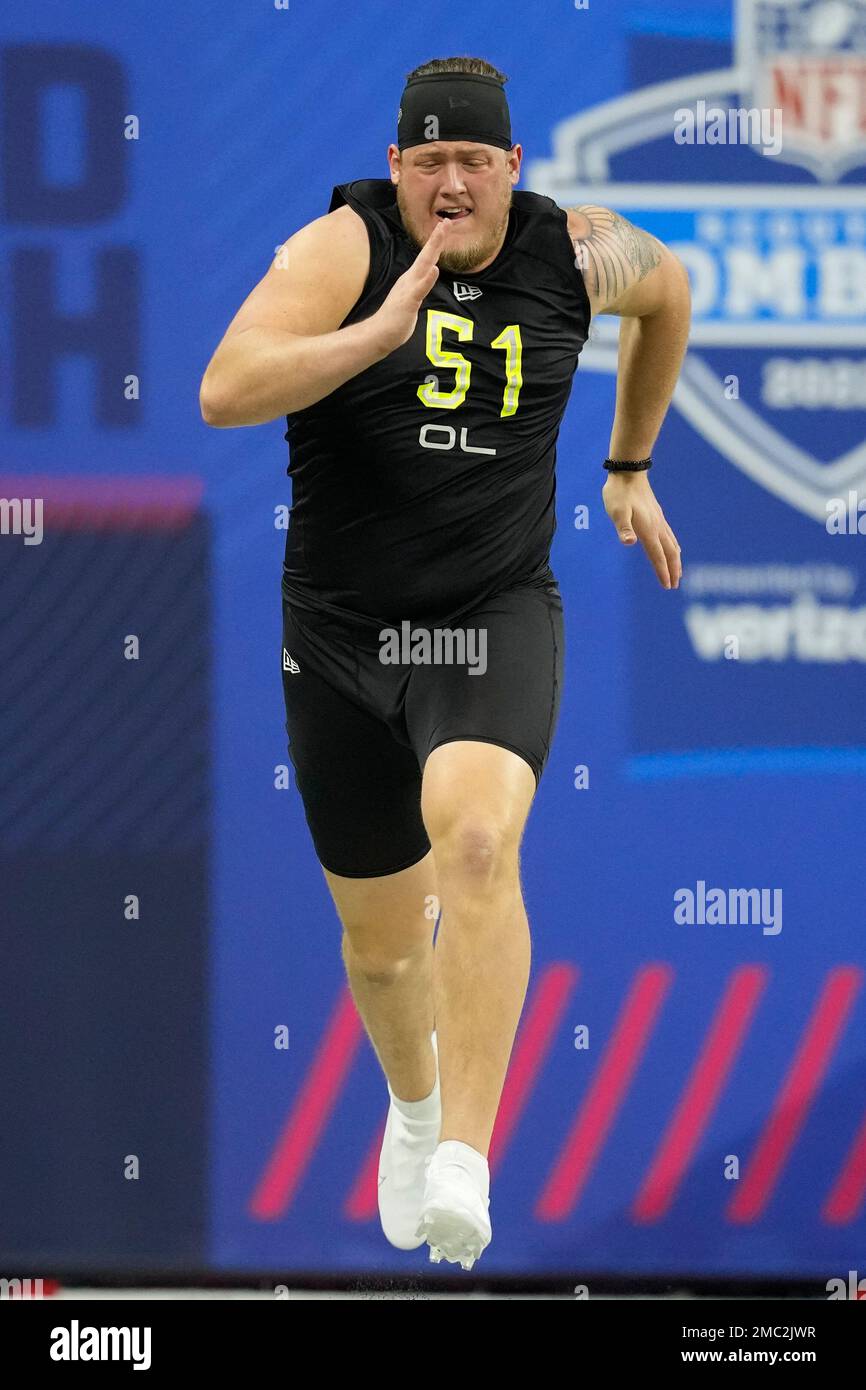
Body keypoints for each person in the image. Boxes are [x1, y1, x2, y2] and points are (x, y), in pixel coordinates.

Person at [200, 54, 689, 1271]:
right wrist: (376, 333)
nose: (453, 187)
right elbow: (222, 390)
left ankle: (467, 1153)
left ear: (514, 169)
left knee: (473, 837)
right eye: (430, 165)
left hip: (487, 614)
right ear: (395, 168)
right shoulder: (343, 247)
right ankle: (413, 1114)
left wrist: (626, 466)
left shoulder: (577, 251)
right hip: (339, 633)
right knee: (377, 943)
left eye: (476, 162)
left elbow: (672, 291)